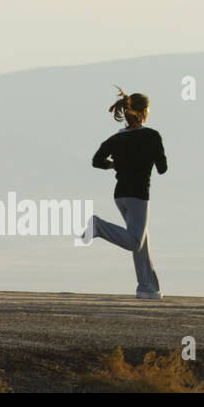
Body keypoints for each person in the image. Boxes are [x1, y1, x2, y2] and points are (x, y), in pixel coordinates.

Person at [84, 88, 167, 300]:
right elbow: (162, 168)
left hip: (120, 195)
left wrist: (113, 165)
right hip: (138, 194)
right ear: (144, 112)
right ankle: (98, 226)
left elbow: (96, 161)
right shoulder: (152, 136)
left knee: (141, 242)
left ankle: (147, 288)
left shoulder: (116, 139)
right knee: (135, 242)